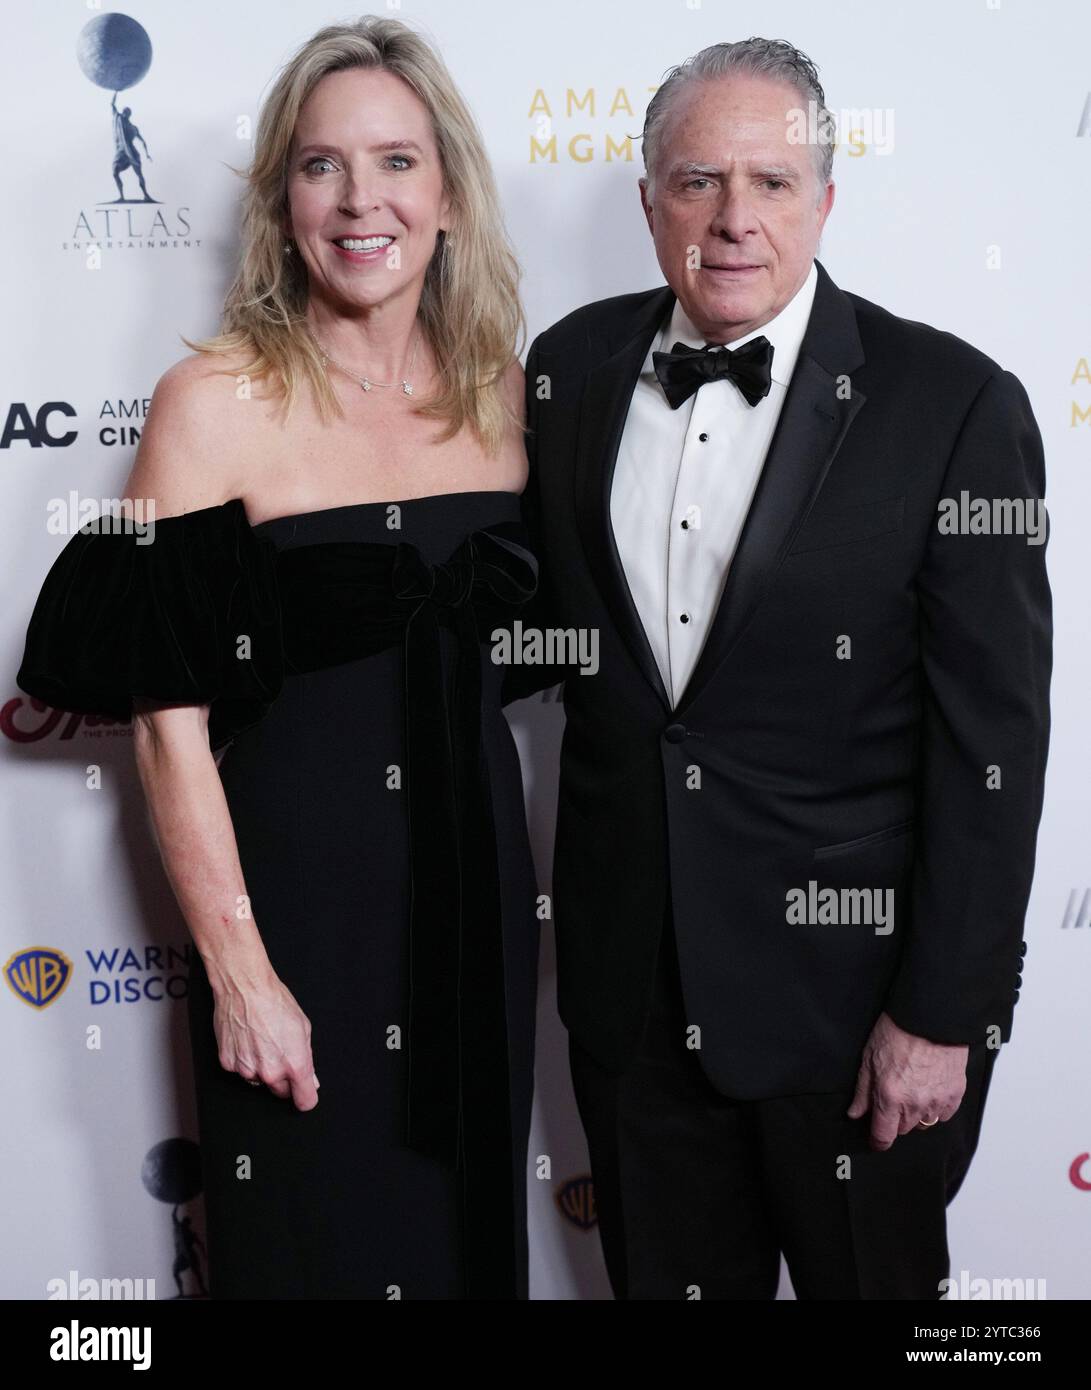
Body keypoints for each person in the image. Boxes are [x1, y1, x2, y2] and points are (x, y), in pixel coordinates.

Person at [505, 37, 1052, 1298]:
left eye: (770, 181)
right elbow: (521, 624)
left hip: (855, 1013)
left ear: (824, 200)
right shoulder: (568, 370)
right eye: (696, 182)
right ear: (648, 202)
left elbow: (993, 747)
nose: (732, 218)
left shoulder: (952, 403)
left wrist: (940, 1012)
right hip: (632, 1001)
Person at [18, 15, 539, 1300]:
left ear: (451, 197)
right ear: (283, 202)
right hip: (299, 917)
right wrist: (243, 975)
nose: (361, 200)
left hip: (474, 908)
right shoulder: (213, 405)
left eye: (396, 162)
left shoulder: (507, 404)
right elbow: (164, 727)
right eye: (321, 166)